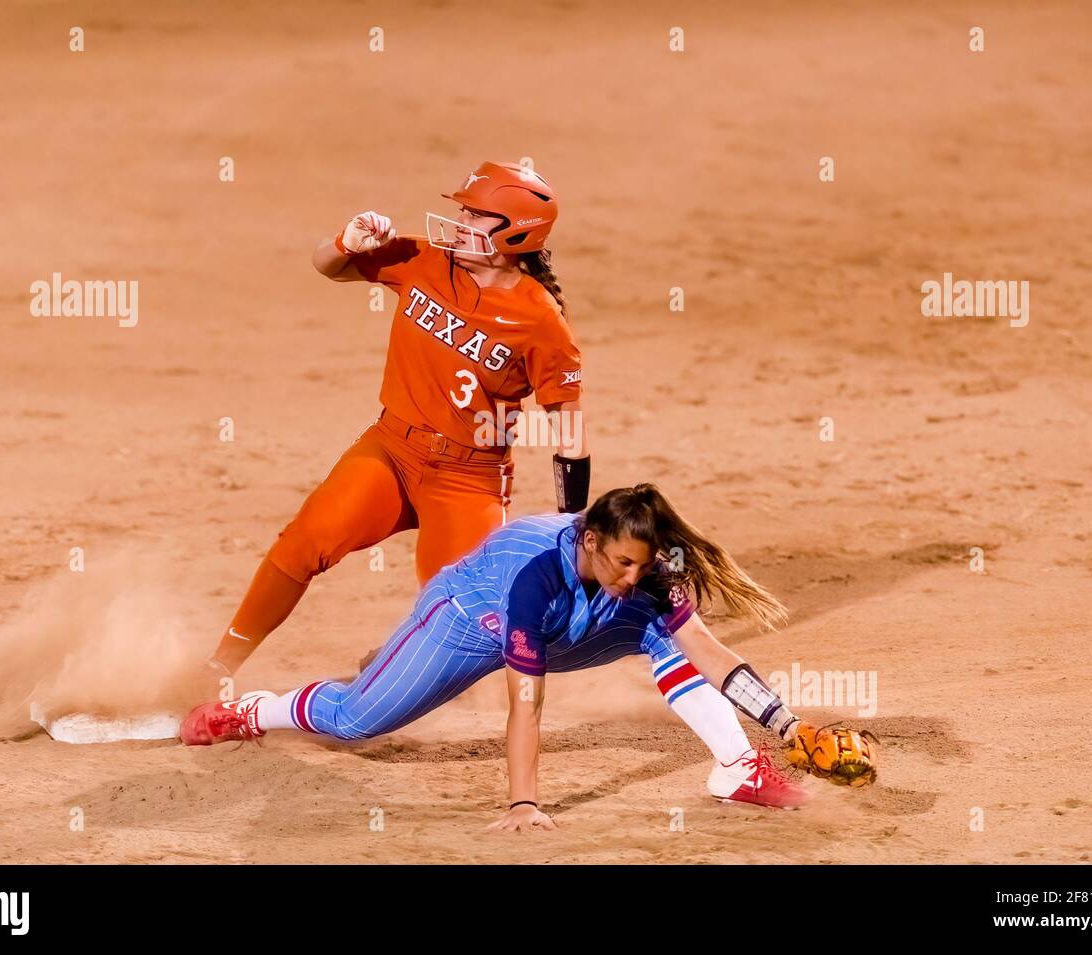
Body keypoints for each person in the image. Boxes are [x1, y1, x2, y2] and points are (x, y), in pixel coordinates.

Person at [182, 485, 817, 826]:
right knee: (357, 721)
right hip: (470, 621)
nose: (633, 574)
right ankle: (259, 712)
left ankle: (737, 766)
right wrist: (523, 805)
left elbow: (708, 650)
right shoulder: (534, 573)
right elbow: (526, 705)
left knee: (665, 632)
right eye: (622, 562)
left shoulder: (647, 569)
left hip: (570, 626)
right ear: (590, 541)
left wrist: (788, 723)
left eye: (641, 564)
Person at [203, 162, 590, 685]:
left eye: (475, 214)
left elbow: (569, 429)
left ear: (515, 233)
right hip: (391, 449)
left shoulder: (540, 319)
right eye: (463, 209)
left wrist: (574, 523)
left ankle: (387, 664)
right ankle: (216, 668)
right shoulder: (423, 260)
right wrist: (346, 242)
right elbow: (329, 268)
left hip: (468, 478)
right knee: (303, 542)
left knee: (461, 621)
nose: (459, 221)